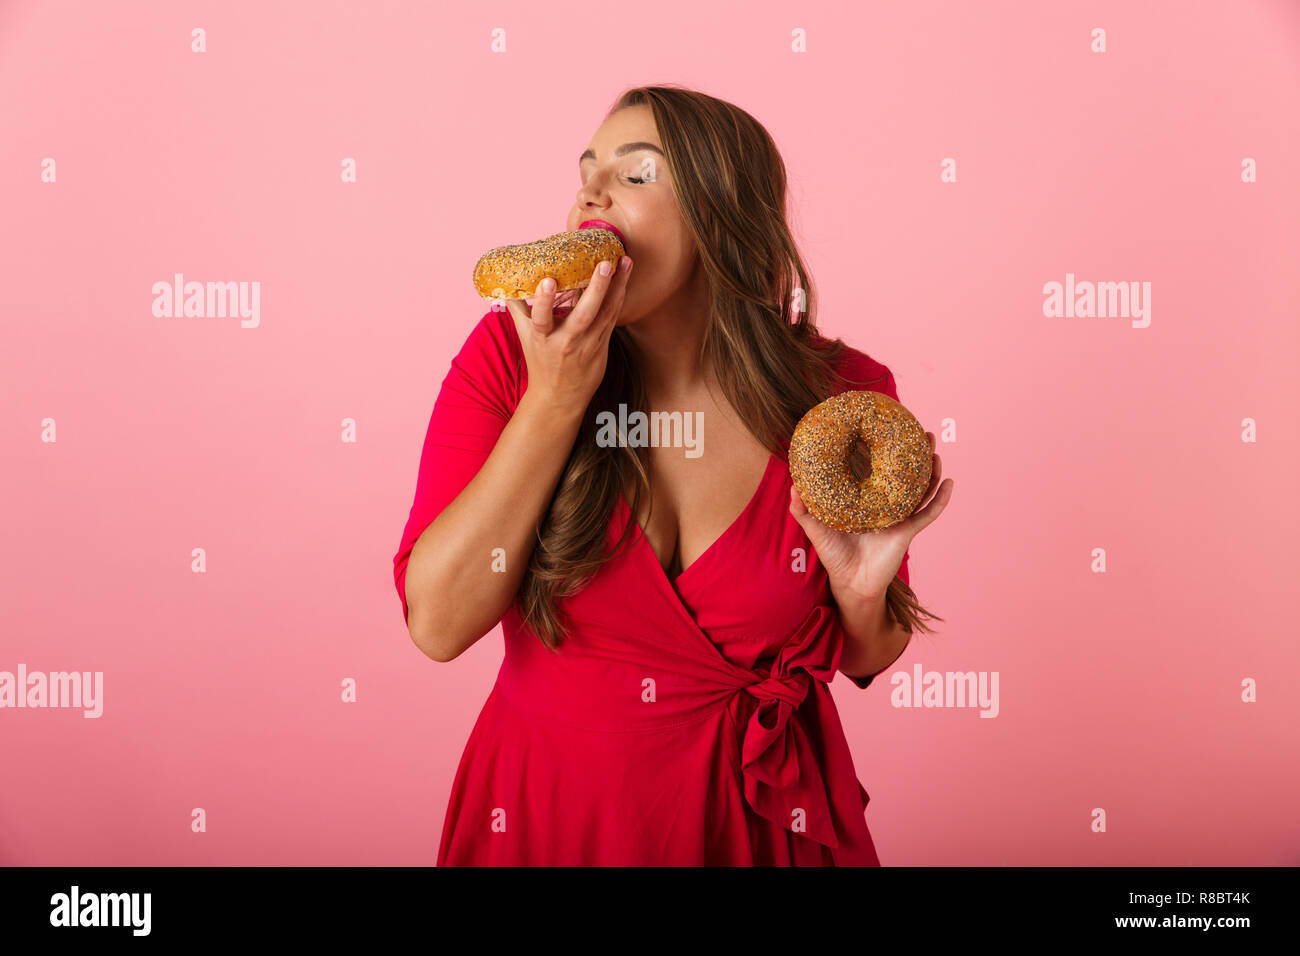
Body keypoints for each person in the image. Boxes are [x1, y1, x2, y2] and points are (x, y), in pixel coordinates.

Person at [393, 85, 954, 865]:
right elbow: (437, 625)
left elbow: (866, 655)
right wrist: (556, 402)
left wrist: (861, 596)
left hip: (756, 828)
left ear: (720, 216)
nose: (591, 192)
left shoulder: (842, 397)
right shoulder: (510, 359)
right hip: (549, 815)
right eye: (587, 172)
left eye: (636, 174)